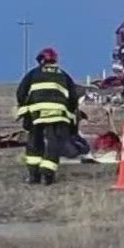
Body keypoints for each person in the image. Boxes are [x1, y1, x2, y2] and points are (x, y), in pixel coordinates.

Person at [15, 47, 79, 185]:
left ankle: (34, 176)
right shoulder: (63, 74)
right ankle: (48, 174)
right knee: (54, 143)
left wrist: (23, 107)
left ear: (41, 60)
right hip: (58, 114)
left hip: (37, 114)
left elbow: (21, 92)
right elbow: (73, 96)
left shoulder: (33, 73)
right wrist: (71, 112)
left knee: (34, 141)